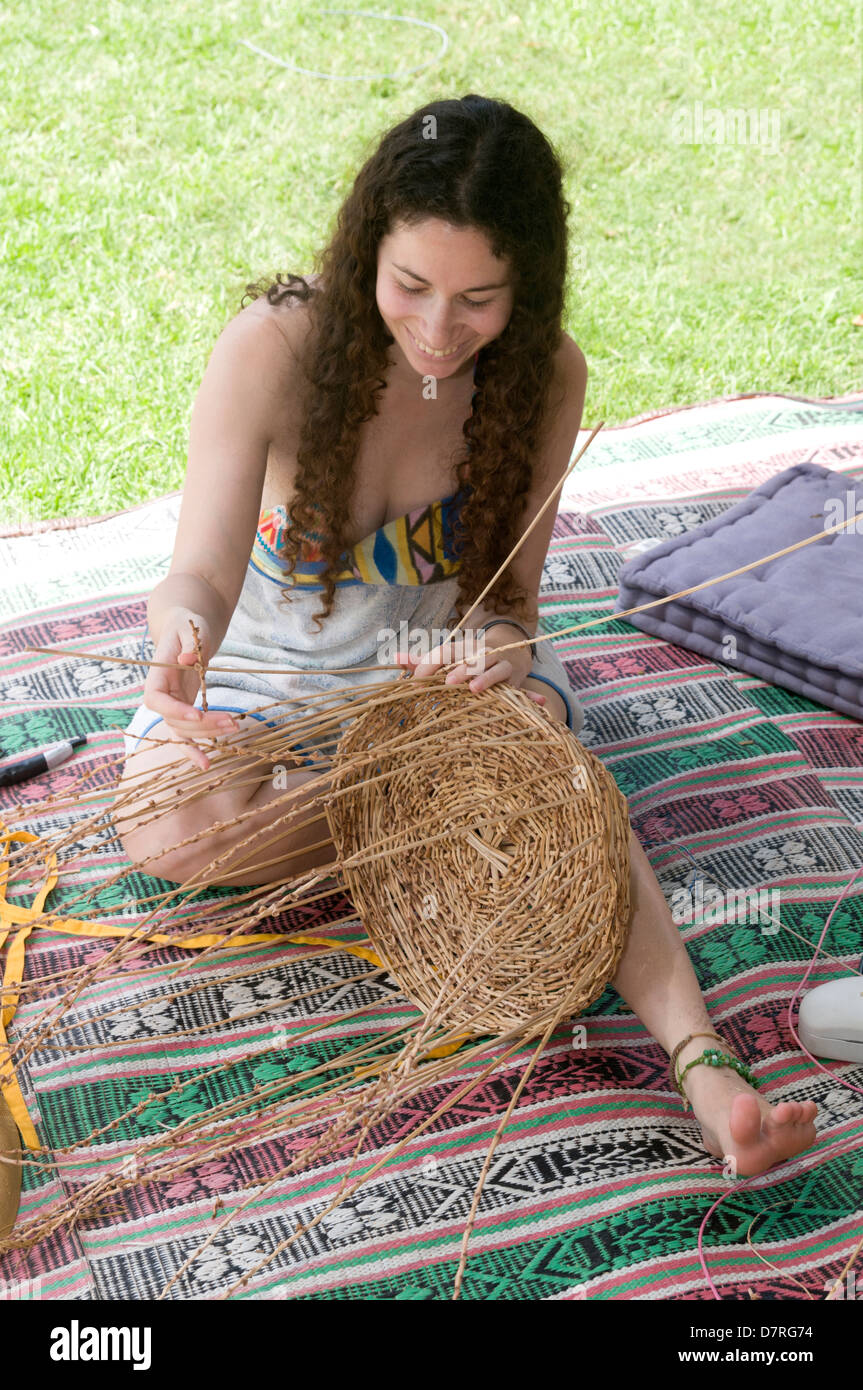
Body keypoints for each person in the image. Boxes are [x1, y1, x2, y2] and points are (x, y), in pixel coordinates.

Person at [115, 94, 816, 1178]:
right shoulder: (275, 349)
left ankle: (702, 1062)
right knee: (165, 831)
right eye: (410, 287)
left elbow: (513, 606)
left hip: (443, 692)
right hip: (272, 683)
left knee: (549, 780)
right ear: (365, 256)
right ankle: (428, 823)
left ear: (525, 285)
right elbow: (197, 571)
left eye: (479, 299)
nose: (438, 328)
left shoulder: (547, 375)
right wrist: (184, 637)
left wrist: (497, 653)